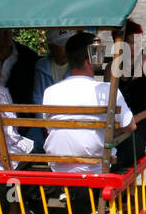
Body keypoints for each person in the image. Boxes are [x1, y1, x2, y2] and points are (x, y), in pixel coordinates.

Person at [42, 32, 134, 175]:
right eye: (97, 52)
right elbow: (130, 126)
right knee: (135, 142)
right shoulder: (107, 90)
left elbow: (50, 128)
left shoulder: (50, 92)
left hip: (58, 166)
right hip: (96, 168)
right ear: (89, 60)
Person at [109, 18, 146, 170]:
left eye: (137, 41)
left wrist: (135, 118)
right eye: (130, 42)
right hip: (122, 121)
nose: (136, 46)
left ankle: (118, 176)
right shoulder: (112, 67)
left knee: (132, 140)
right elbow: (109, 100)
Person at [0, 28, 40, 106]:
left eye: (9, 30)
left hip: (20, 112)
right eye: (2, 32)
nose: (8, 35)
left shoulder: (28, 57)